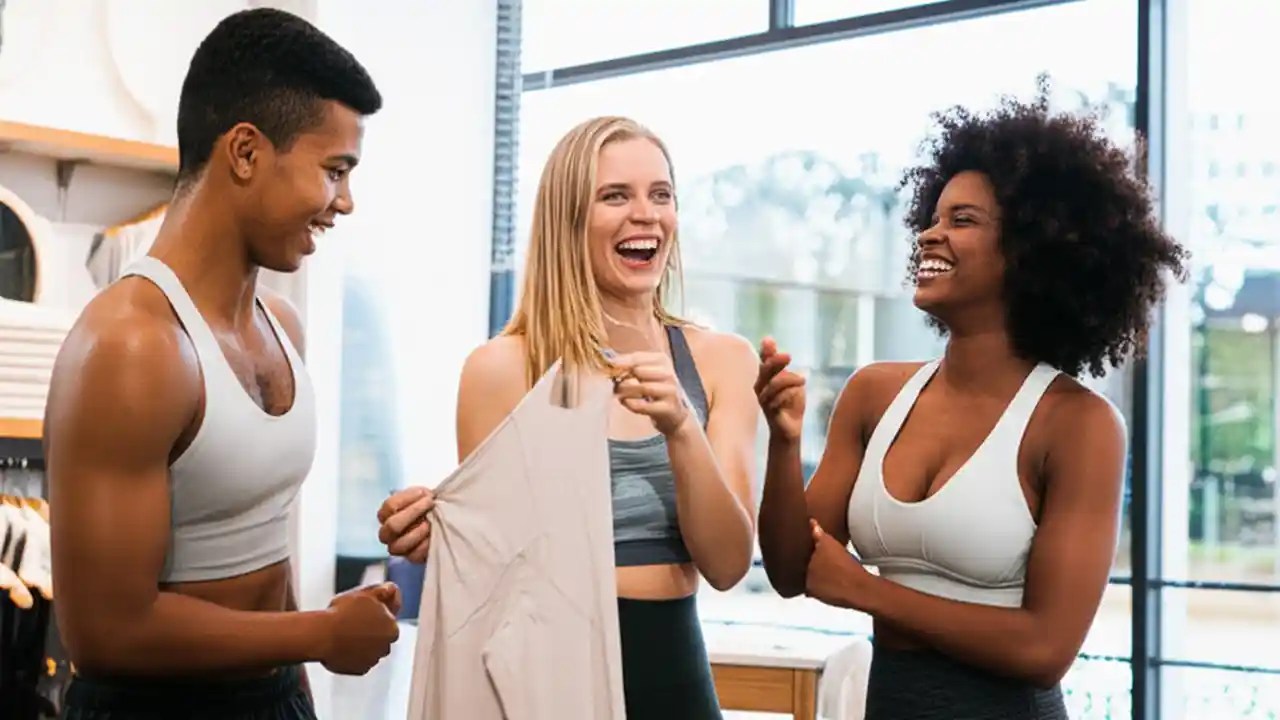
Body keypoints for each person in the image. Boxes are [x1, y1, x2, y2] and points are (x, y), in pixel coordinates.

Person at [755, 82, 1189, 720]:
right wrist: (784, 443)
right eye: (932, 218)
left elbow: (1044, 648)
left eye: (962, 221)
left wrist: (868, 593)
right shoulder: (874, 393)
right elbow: (795, 570)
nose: (930, 236)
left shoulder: (1078, 424)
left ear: (1030, 251)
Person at [44, 9, 401, 719]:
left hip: (272, 695)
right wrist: (320, 634)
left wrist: (299, 674)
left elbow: (267, 542)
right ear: (244, 151)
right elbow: (106, 634)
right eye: (334, 170)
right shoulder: (131, 347)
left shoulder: (283, 327)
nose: (346, 202)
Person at [378, 116, 760, 718]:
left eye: (661, 195)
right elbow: (496, 577)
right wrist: (435, 535)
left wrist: (683, 429)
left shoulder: (722, 362)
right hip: (549, 687)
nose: (646, 214)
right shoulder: (502, 369)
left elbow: (729, 564)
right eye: (616, 195)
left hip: (676, 680)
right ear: (568, 219)